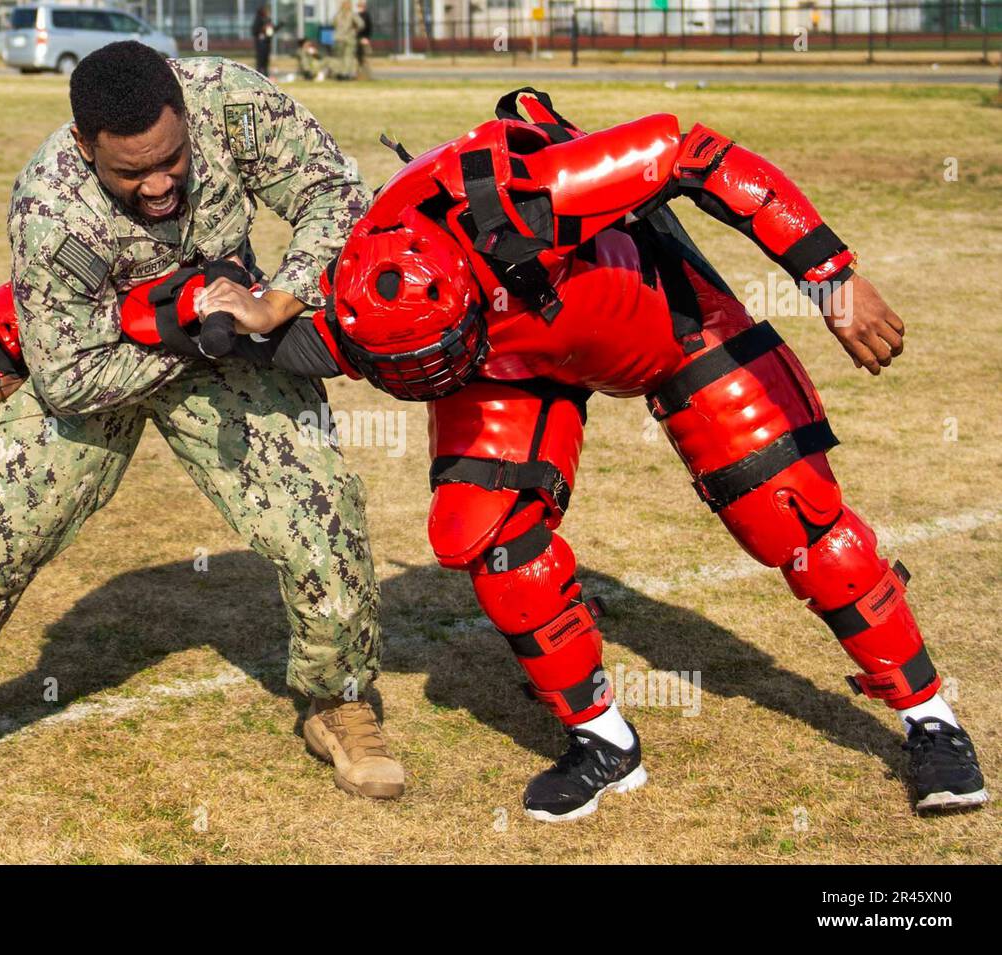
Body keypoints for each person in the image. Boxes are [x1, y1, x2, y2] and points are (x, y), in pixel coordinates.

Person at [133, 88, 989, 821]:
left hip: (660, 320)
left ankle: (930, 719)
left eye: (434, 363)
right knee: (486, 534)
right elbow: (197, 321)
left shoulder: (527, 195)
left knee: (793, 516)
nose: (426, 380)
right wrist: (222, 315)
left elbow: (695, 152)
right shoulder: (369, 300)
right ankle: (605, 740)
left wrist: (831, 276)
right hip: (513, 361)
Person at [0, 42, 404, 816]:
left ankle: (339, 703)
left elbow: (335, 194)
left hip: (227, 327)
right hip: (105, 362)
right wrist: (177, 336)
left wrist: (276, 302)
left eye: (172, 159)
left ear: (186, 114)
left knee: (321, 515)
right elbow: (70, 378)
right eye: (131, 173)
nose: (159, 184)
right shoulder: (49, 205)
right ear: (86, 145)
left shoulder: (234, 100)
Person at [331, 0, 362, 81]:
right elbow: (361, 24)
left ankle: (338, 72)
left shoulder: (337, 15)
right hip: (349, 38)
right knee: (348, 56)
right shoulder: (352, 14)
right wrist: (355, 30)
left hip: (338, 38)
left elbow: (332, 24)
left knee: (339, 57)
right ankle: (345, 74)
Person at [251, 3, 273, 77]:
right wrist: (262, 29)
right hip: (260, 43)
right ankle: (258, 75)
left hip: (267, 42)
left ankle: (266, 75)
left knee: (266, 61)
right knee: (260, 61)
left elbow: (271, 30)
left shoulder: (268, 20)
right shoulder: (258, 20)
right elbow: (254, 31)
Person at [355, 1, 372, 80]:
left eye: (361, 6)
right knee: (358, 59)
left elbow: (369, 28)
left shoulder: (366, 16)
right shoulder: (356, 15)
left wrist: (367, 38)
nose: (360, 7)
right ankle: (359, 76)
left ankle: (367, 76)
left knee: (365, 58)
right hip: (357, 39)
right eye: (359, 6)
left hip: (364, 39)